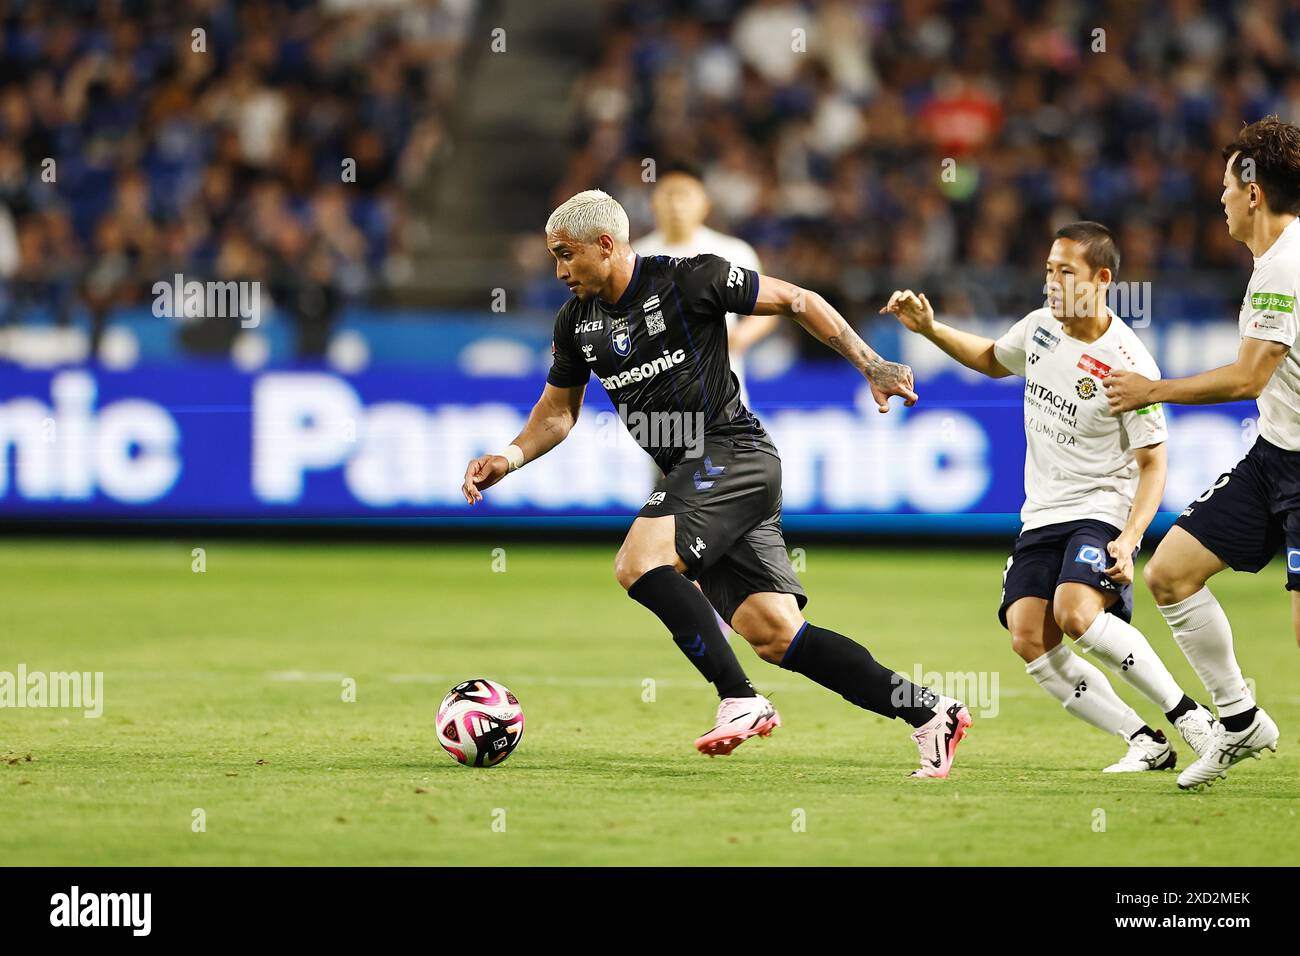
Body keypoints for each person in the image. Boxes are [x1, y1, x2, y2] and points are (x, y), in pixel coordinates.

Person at [462, 189, 972, 777]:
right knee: (774, 632)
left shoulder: (689, 279)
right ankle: (932, 713)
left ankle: (740, 699)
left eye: (565, 255)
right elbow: (557, 412)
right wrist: (508, 457)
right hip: (696, 473)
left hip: (733, 451)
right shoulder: (576, 321)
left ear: (605, 245)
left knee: (638, 562)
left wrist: (871, 364)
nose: (558, 270)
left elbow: (798, 299)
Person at [885, 222, 1214, 772]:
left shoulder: (1129, 363)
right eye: (1048, 271)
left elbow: (1153, 464)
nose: (1052, 285)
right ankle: (1144, 740)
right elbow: (993, 358)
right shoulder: (1040, 329)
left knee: (1075, 612)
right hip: (1041, 514)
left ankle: (1188, 715)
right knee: (1027, 637)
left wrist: (1131, 540)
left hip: (1101, 507)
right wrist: (930, 329)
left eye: (1065, 273)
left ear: (1101, 279)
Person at [1105, 116, 1300, 789]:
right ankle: (1240, 721)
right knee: (1171, 572)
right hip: (1276, 452)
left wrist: (1149, 390)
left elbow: (1248, 378)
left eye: (1224, 186)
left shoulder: (1285, 266)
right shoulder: (1275, 261)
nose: (1217, 198)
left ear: (1252, 191)